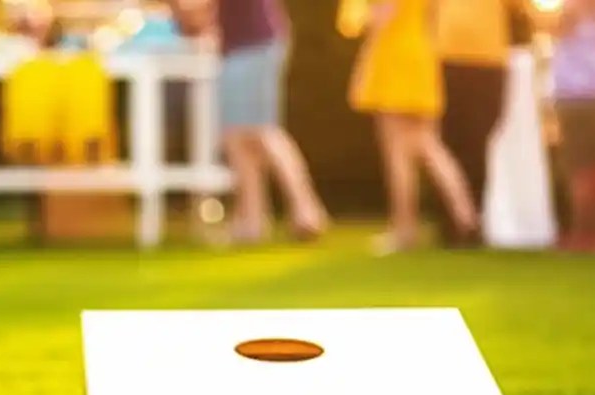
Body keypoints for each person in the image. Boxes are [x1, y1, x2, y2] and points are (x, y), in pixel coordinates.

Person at [179, 0, 328, 243]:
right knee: (236, 136)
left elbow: (197, 9)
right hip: (240, 46)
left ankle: (307, 211)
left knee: (261, 130)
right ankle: (252, 220)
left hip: (255, 44)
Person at [340, 0, 477, 254]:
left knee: (396, 150)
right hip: (421, 54)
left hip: (393, 58)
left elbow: (374, 17)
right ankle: (464, 212)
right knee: (427, 143)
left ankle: (405, 228)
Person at [436, 0, 527, 247]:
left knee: (477, 141)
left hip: (489, 59)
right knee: (449, 141)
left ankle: (471, 219)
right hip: (448, 57)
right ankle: (454, 220)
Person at [551, 0, 595, 254]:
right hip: (593, 92)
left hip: (577, 93)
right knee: (593, 167)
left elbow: (557, 26)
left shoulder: (578, 8)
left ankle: (586, 234)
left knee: (580, 169)